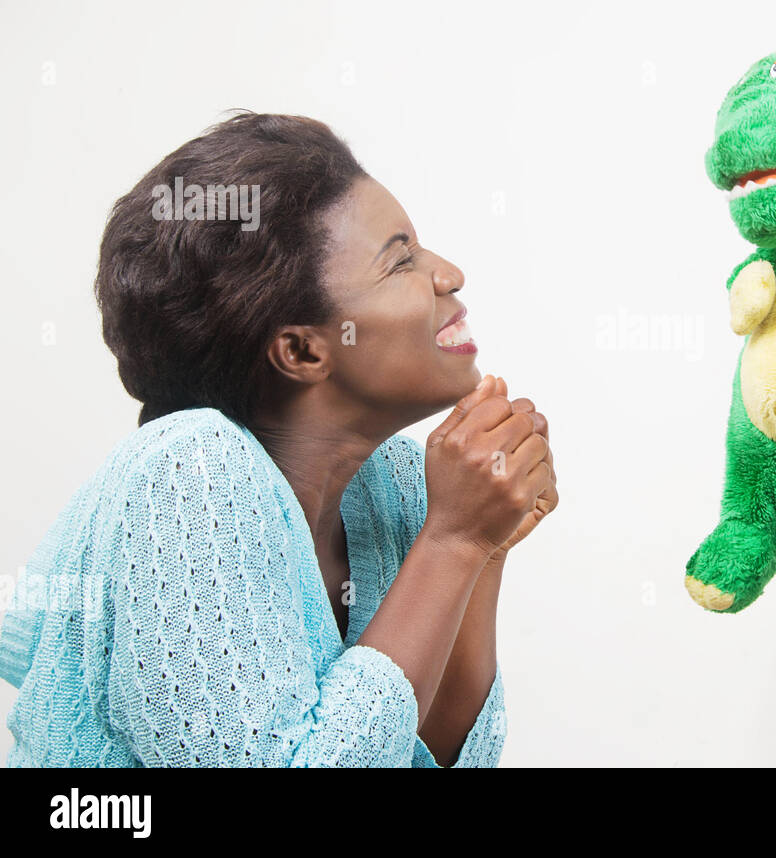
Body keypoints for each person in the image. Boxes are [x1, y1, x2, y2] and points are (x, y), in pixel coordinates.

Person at [0, 112, 557, 767]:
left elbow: (423, 755)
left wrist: (483, 543)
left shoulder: (396, 482)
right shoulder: (188, 472)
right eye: (400, 260)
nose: (450, 273)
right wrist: (453, 541)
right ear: (301, 350)